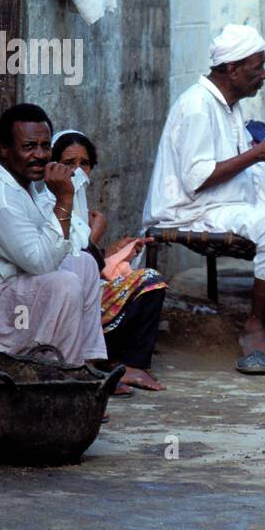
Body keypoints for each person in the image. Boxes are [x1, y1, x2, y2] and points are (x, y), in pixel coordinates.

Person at [142, 23, 265, 375]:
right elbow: (198, 179)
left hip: (225, 204)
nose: (264, 75)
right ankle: (254, 327)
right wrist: (258, 155)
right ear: (232, 69)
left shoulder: (230, 106)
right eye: (258, 67)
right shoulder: (196, 106)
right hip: (190, 210)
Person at [0, 103, 107, 371]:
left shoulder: (16, 175)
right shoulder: (0, 200)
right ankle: (58, 379)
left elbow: (67, 241)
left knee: (85, 264)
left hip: (14, 286)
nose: (40, 155)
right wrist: (65, 198)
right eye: (29, 146)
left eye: (45, 146)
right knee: (64, 284)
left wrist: (60, 202)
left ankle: (85, 365)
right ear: (5, 149)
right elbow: (41, 263)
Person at [40, 130, 169, 392]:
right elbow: (62, 258)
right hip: (59, 296)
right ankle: (113, 366)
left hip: (81, 285)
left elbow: (86, 260)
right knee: (149, 281)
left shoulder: (78, 197)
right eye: (68, 164)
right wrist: (96, 235)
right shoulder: (47, 198)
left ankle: (120, 365)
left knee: (147, 280)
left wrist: (113, 251)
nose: (77, 171)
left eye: (83, 164)